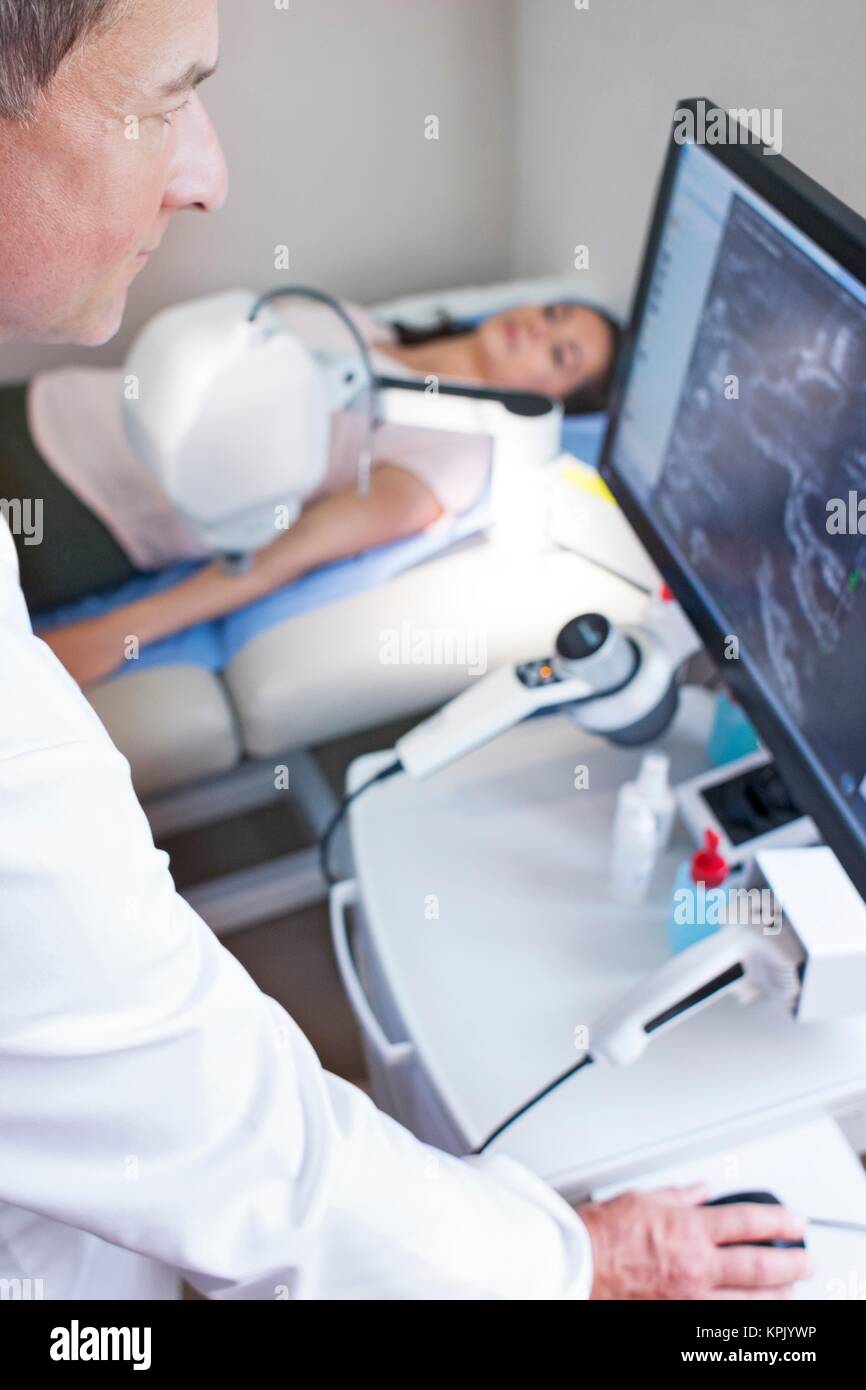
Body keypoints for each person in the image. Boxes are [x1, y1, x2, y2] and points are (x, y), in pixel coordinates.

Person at [0, 0, 813, 1301]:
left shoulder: (434, 459)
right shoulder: (378, 335)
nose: (207, 172)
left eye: (559, 356)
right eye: (161, 101)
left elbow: (261, 568)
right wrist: (574, 1259)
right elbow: (224, 1141)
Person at [1, 293, 619, 687]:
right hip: (39, 405)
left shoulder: (451, 455)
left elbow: (284, 557)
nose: (537, 330)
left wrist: (110, 636)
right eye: (553, 314)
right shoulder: (353, 319)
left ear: (554, 402)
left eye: (561, 354)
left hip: (83, 516)